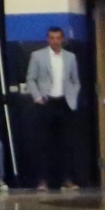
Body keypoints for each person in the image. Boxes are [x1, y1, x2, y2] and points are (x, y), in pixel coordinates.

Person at [23, 26, 82, 191]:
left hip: (64, 103)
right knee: (43, 143)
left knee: (66, 143)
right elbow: (30, 79)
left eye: (58, 38)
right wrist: (37, 97)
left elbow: (76, 81)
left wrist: (73, 95)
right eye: (52, 38)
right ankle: (43, 180)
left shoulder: (70, 57)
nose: (55, 41)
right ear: (47, 39)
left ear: (62, 39)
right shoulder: (37, 56)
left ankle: (67, 179)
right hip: (46, 102)